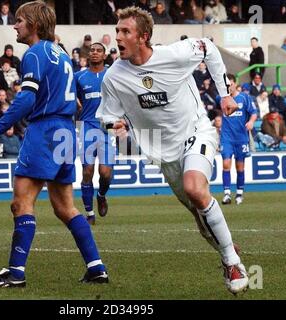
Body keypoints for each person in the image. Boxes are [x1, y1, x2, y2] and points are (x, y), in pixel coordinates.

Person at [96, 6, 248, 294]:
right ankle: (225, 246)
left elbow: (210, 50)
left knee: (194, 187)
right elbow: (103, 116)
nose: (117, 37)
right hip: (164, 155)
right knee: (200, 217)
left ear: (143, 36)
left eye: (125, 31)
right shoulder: (113, 77)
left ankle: (232, 262)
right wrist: (111, 125)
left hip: (196, 132)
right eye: (117, 31)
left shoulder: (175, 54)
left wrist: (224, 95)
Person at [0, 1, 108, 288]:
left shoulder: (34, 53)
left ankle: (16, 273)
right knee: (65, 207)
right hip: (65, 132)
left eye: (19, 21)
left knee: (21, 203)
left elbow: (26, 99)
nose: (15, 25)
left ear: (34, 25)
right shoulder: (60, 53)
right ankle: (96, 267)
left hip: (45, 130)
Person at [75, 42, 114, 225]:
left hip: (107, 128)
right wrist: (75, 104)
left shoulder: (112, 74)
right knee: (88, 170)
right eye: (92, 50)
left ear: (104, 55)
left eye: (99, 50)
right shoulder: (79, 76)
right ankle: (89, 214)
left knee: (105, 173)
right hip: (87, 127)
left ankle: (101, 195)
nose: (95, 53)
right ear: (88, 55)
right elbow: (68, 94)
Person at [220, 74, 257, 206]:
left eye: (230, 84)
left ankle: (239, 193)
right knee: (226, 164)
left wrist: (251, 122)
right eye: (226, 85)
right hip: (227, 137)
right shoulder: (222, 99)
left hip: (241, 137)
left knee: (240, 167)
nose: (229, 87)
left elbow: (253, 112)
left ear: (235, 84)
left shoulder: (244, 98)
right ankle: (226, 194)